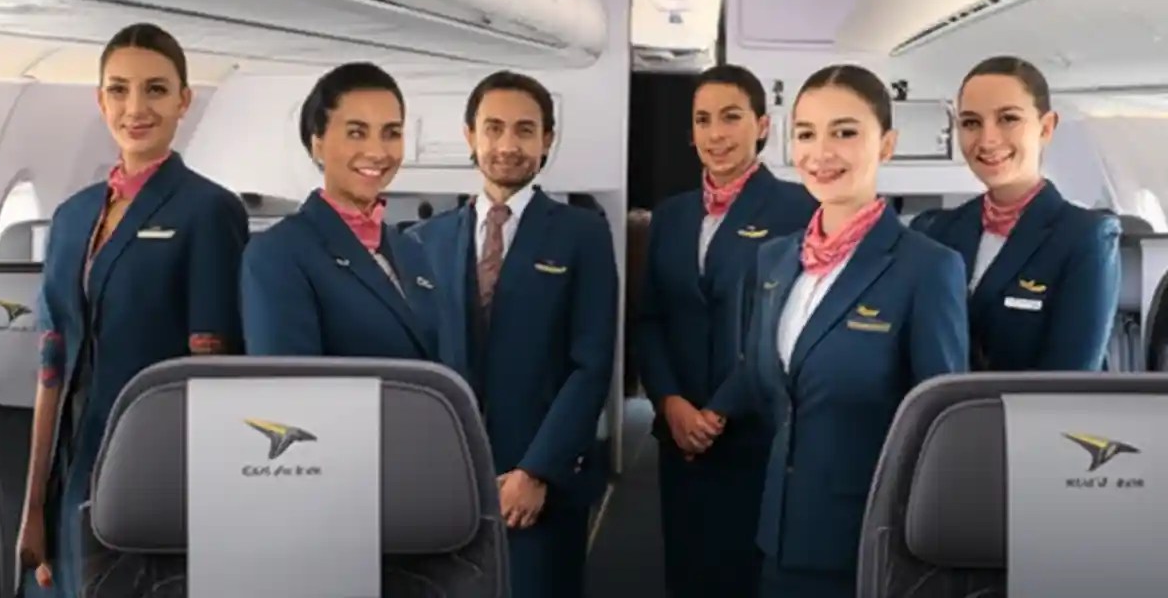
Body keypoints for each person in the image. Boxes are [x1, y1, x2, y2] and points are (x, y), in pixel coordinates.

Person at [16, 23, 249, 596]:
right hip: (69, 472)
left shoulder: (209, 210)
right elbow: (52, 364)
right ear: (100, 100)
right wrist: (31, 505)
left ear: (183, 101)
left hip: (157, 474)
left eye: (155, 90)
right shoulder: (72, 217)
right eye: (119, 90)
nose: (135, 107)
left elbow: (213, 372)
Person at [730, 64, 968, 597]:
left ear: (886, 144)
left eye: (845, 132)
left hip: (872, 539)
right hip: (779, 535)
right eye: (806, 133)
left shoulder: (926, 268)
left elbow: (942, 429)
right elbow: (769, 392)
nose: (821, 152)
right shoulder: (773, 262)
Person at [408, 70, 617, 598]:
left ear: (546, 140)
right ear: (469, 135)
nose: (507, 145)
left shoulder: (583, 234)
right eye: (493, 128)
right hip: (447, 475)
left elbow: (591, 364)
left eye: (525, 130)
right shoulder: (423, 241)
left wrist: (537, 470)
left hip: (539, 481)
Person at [635, 64, 816, 597]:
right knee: (687, 575)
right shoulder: (670, 216)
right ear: (689, 134)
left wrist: (716, 412)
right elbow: (651, 318)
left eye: (731, 117)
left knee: (748, 575)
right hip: (679, 437)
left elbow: (785, 325)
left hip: (753, 431)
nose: (716, 134)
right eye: (703, 120)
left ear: (762, 125)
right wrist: (669, 401)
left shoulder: (798, 210)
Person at [911, 56, 1120, 371]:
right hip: (939, 417)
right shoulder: (933, 230)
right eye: (971, 123)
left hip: (1034, 418)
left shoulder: (1084, 237)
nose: (987, 139)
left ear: (1046, 128)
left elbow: (1073, 378)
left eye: (1008, 118)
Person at [241, 62, 447, 366]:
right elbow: (287, 390)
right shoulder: (278, 253)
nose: (377, 152)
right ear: (318, 143)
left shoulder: (411, 250)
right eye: (356, 133)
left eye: (391, 133)